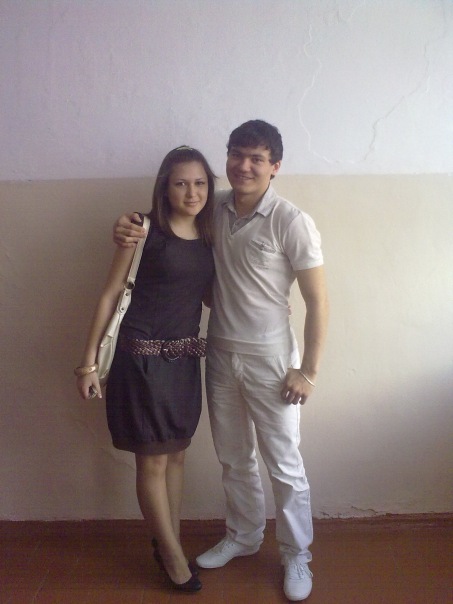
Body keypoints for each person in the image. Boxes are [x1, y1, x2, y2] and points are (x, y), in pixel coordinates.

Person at [113, 120, 329, 602]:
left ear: (275, 166)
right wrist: (126, 223)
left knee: (284, 463)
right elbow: (165, 223)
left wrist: (308, 370)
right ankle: (244, 535)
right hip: (218, 353)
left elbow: (318, 301)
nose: (244, 165)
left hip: (273, 360)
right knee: (234, 457)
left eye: (257, 158)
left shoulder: (291, 221)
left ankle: (296, 553)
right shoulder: (213, 208)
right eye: (237, 154)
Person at [75, 146, 217, 592]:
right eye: (181, 183)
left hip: (185, 361)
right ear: (165, 187)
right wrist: (88, 363)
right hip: (141, 361)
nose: (191, 192)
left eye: (200, 183)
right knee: (153, 461)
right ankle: (173, 557)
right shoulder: (143, 229)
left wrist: (266, 303)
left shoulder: (210, 234)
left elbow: (207, 295)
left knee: (176, 456)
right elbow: (110, 294)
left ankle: (167, 540)